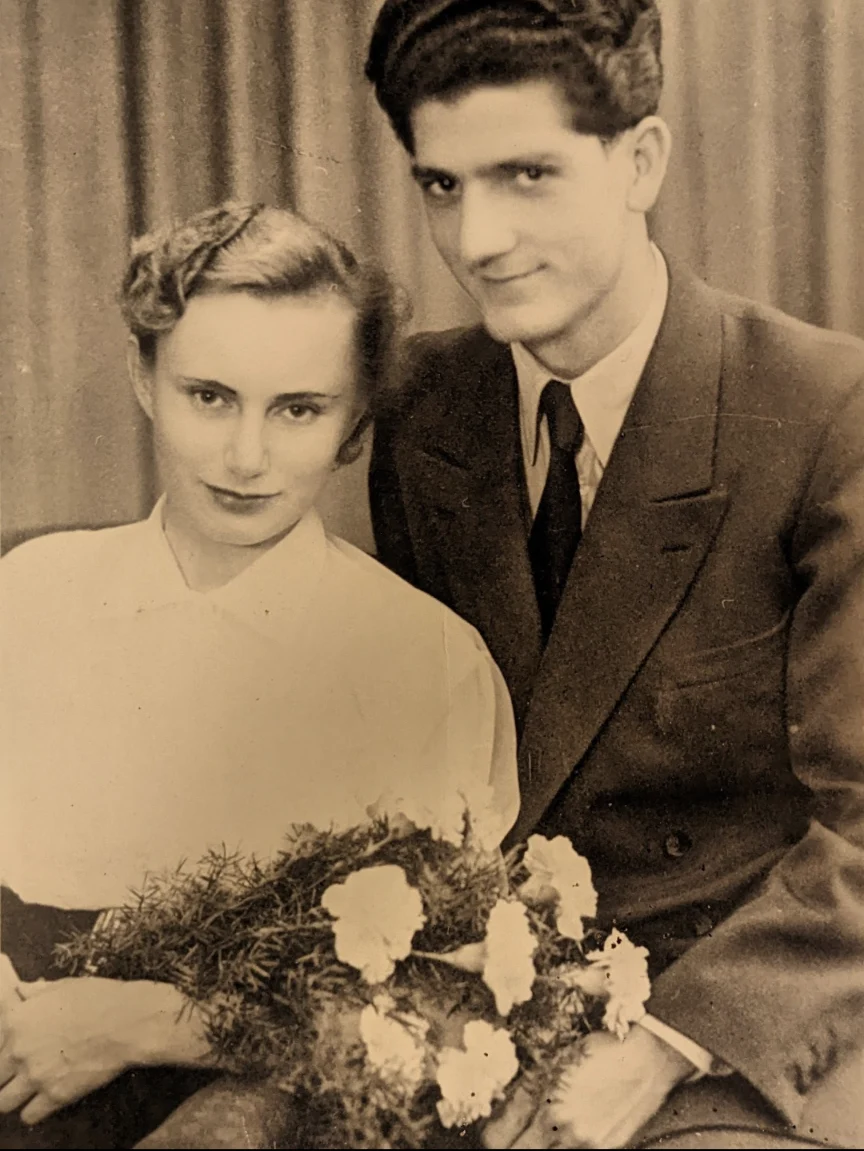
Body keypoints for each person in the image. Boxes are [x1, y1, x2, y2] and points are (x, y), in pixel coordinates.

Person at [364, 2, 864, 1148]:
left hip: (743, 1027)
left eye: (526, 174)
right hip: (487, 1013)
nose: (479, 237)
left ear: (642, 160)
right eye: (443, 186)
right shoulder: (420, 409)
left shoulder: (827, 410)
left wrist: (658, 1051)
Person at [0, 202, 519, 1148]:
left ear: (356, 423)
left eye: (298, 409)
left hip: (269, 1104)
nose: (246, 457)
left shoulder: (424, 659)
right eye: (210, 396)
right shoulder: (29, 595)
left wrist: (133, 1026)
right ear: (143, 379)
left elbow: (436, 996)